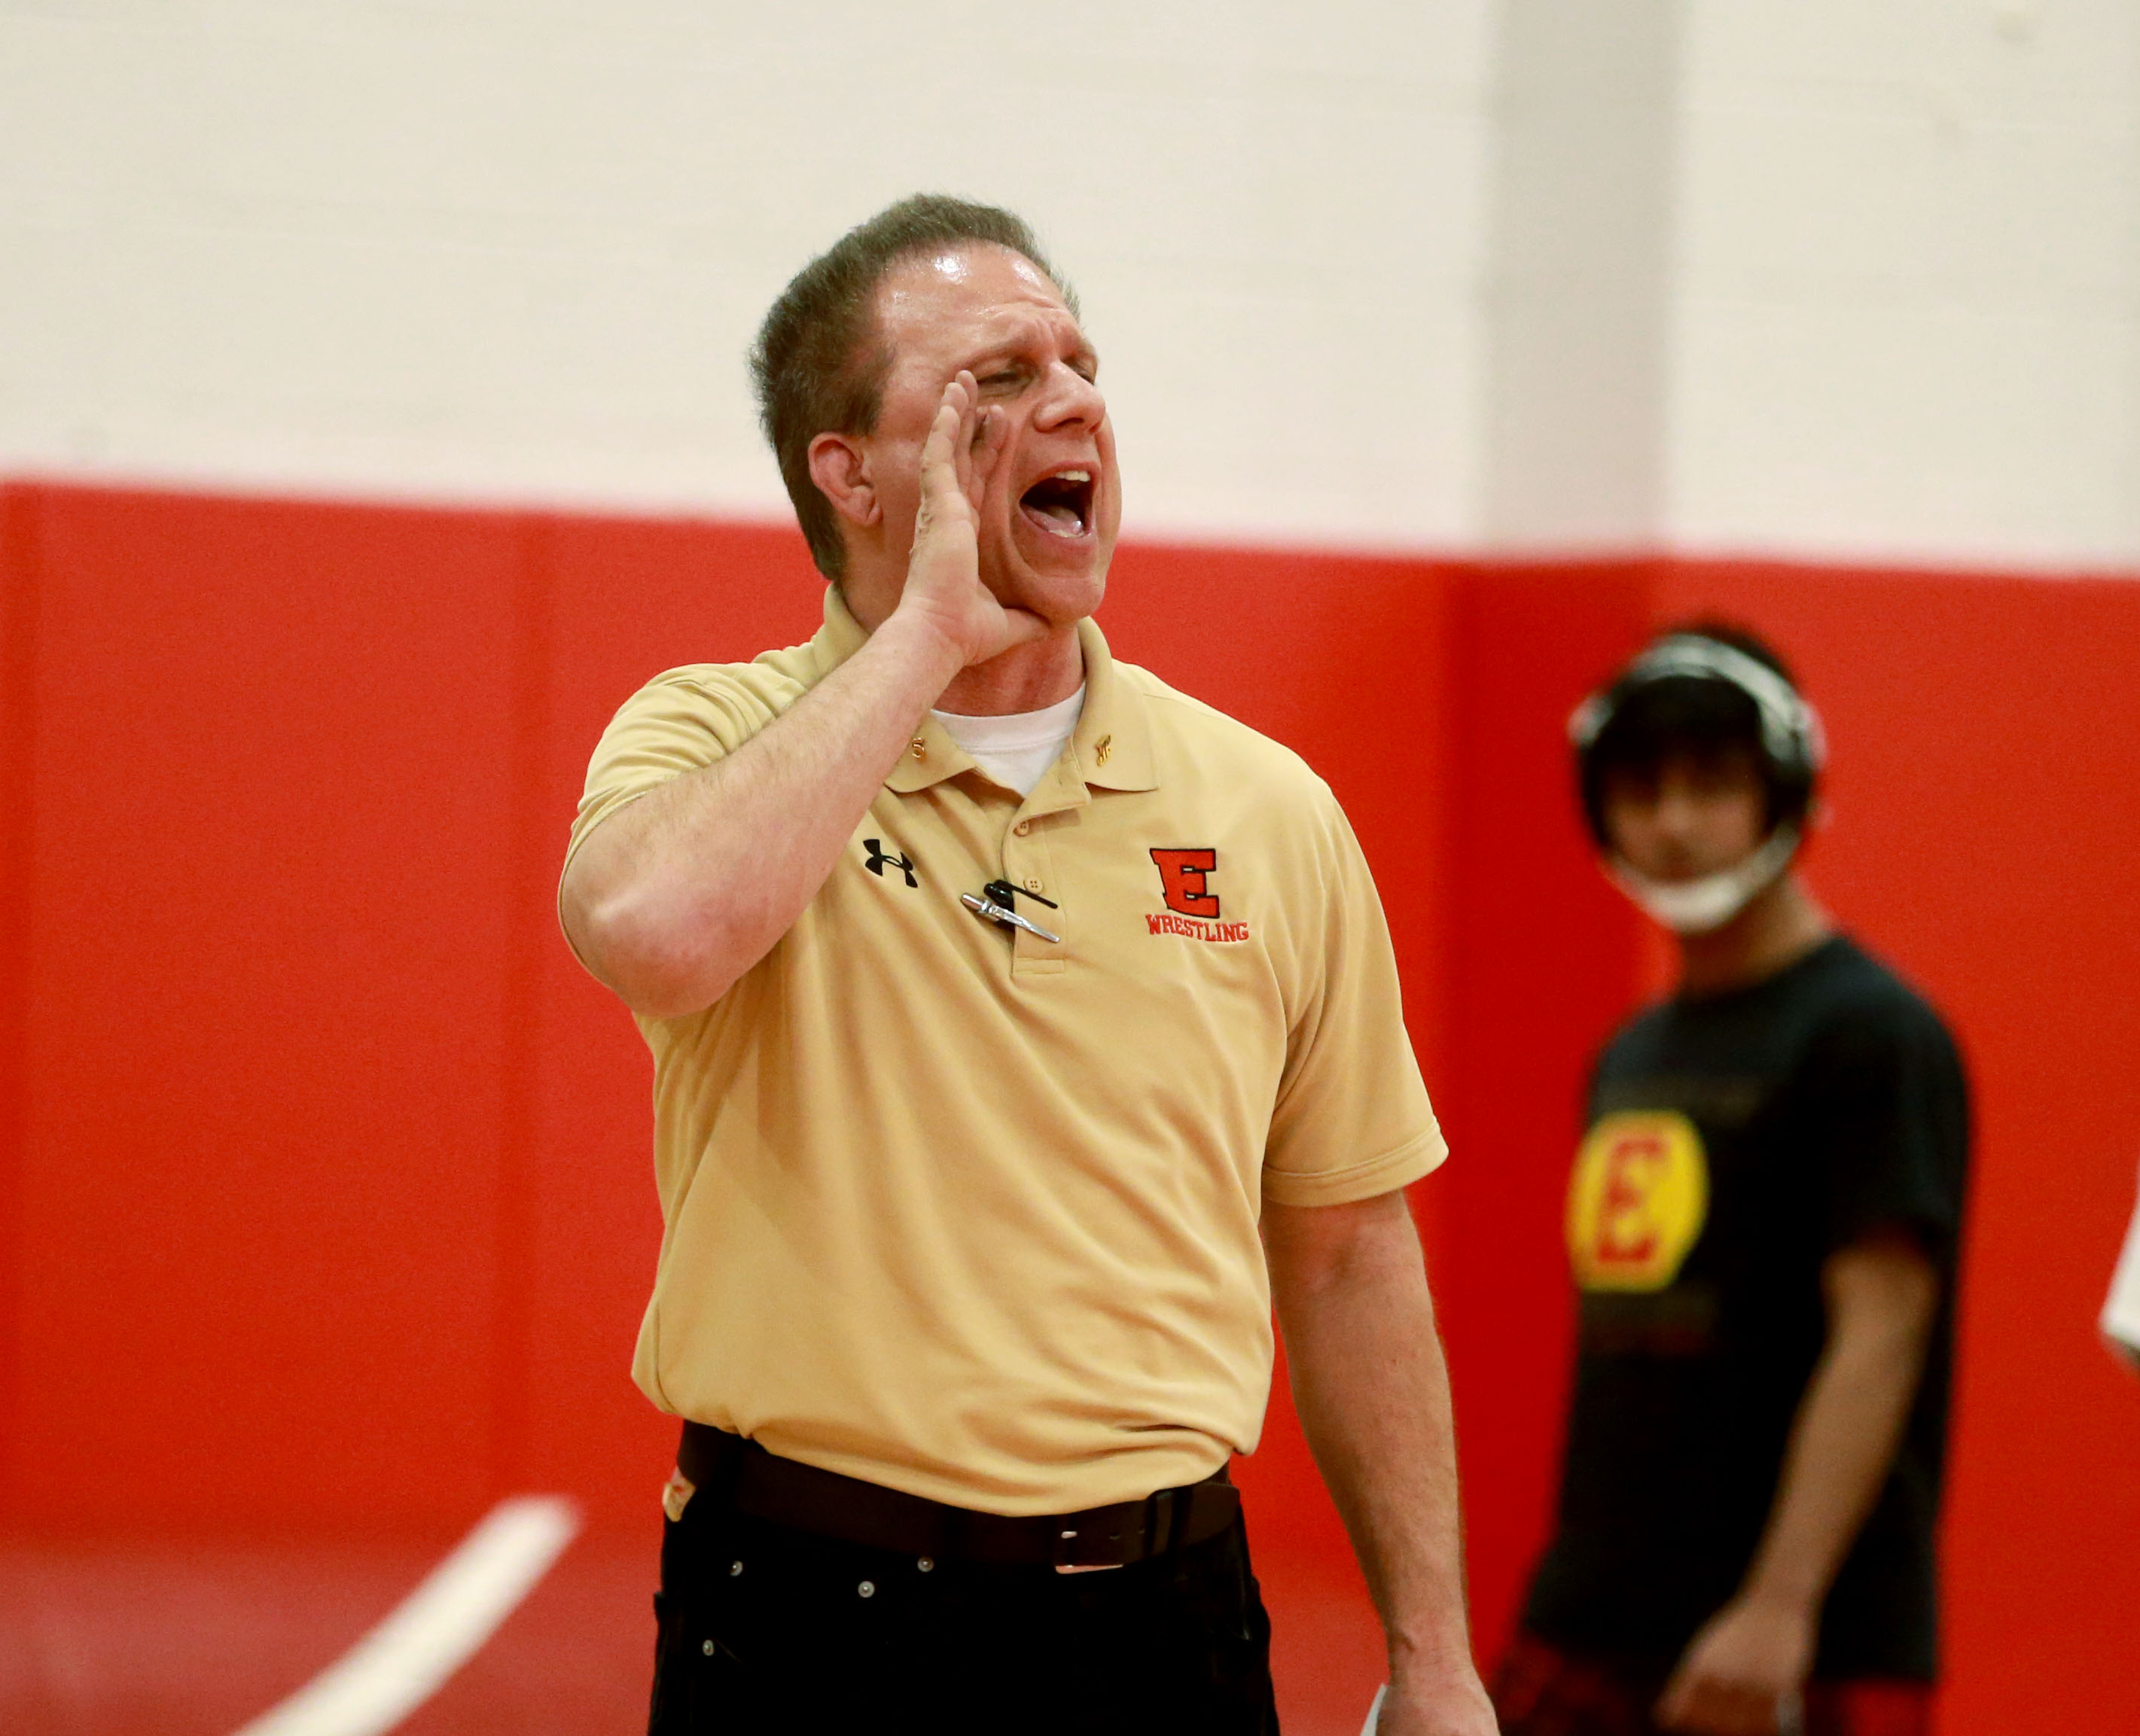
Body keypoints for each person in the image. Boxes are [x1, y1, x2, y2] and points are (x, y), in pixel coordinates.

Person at [556, 195, 1497, 1736]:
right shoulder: (710, 733)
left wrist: (1437, 1654)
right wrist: (925, 633)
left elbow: (1345, 1253)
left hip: (1156, 1620)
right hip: (804, 1611)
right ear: (848, 472)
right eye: (992, 381)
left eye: (1078, 360)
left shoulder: (1264, 807)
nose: (1068, 401)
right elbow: (656, 937)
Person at [1492, 629, 1970, 1736]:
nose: (1670, 820)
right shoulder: (1632, 1047)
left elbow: (1882, 1332)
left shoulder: (1872, 1034)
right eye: (1641, 786)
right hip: (1596, 1610)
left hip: (1800, 1636)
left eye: (1710, 783)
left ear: (1786, 793)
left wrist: (1775, 1608)